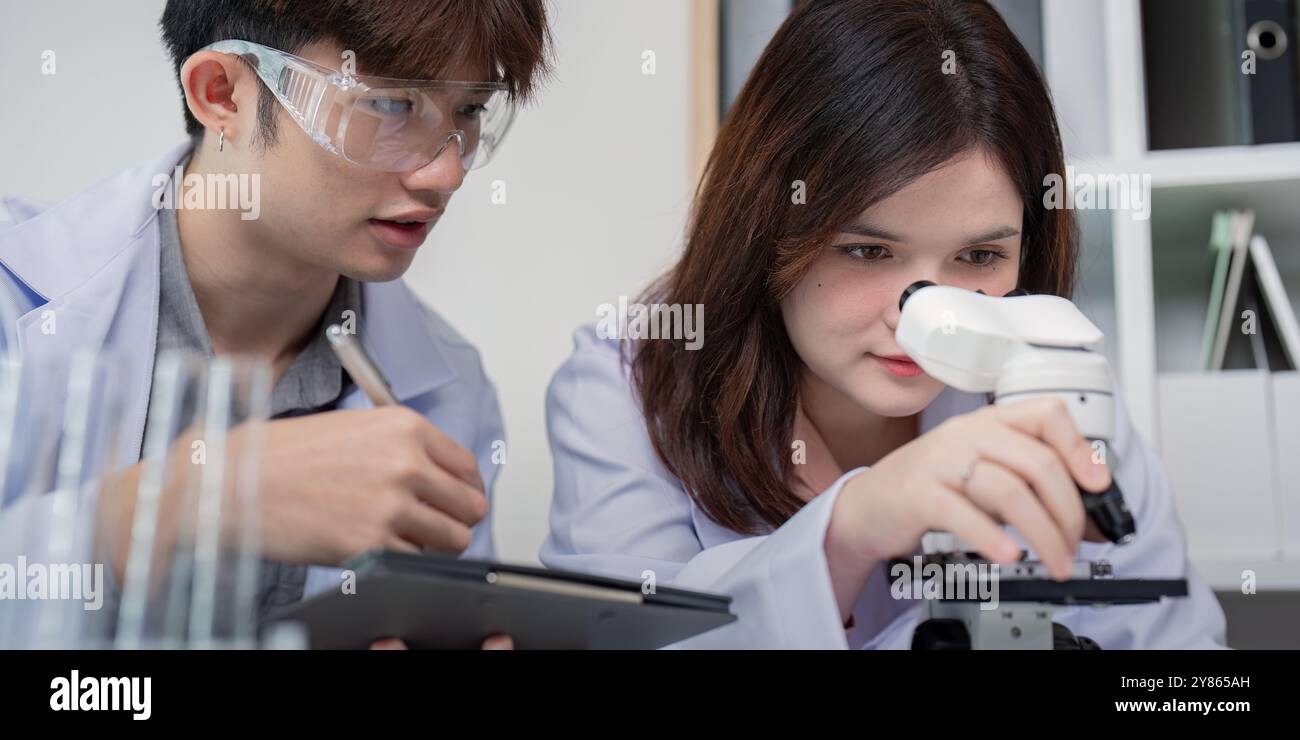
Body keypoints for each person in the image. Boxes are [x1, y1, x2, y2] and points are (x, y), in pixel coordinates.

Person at [540, 0, 1226, 649]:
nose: (921, 315)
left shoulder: (1057, 383)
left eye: (980, 255)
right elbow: (623, 638)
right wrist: (850, 529)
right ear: (767, 225)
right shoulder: (628, 383)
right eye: (868, 251)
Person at [0, 0, 549, 645]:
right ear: (222, 93)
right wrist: (186, 502)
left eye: (471, 111)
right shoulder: (20, 298)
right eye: (390, 105)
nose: (446, 173)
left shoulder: (452, 388)